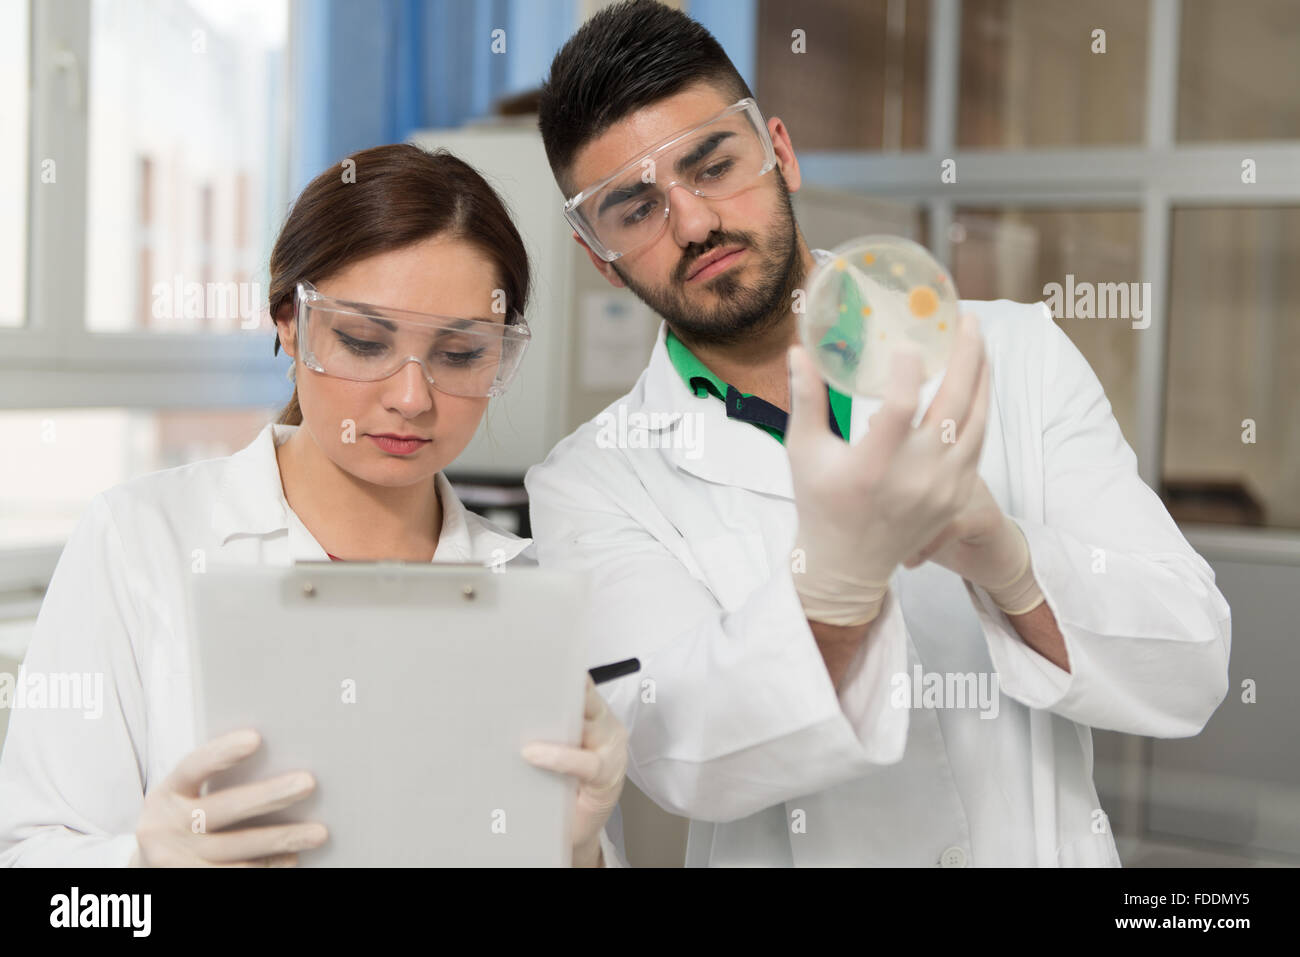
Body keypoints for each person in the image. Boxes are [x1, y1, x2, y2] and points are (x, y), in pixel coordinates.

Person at [524, 0, 1231, 866]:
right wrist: (835, 592)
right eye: (635, 209)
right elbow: (679, 751)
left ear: (779, 151)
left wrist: (1011, 564)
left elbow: (1192, 661)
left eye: (713, 166)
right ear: (600, 255)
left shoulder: (1013, 352)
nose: (696, 223)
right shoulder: (591, 484)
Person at [0, 144, 627, 868]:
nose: (412, 398)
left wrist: (580, 850)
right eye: (365, 341)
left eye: (460, 355)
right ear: (289, 324)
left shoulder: (527, 589)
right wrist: (144, 865)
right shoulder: (140, 540)